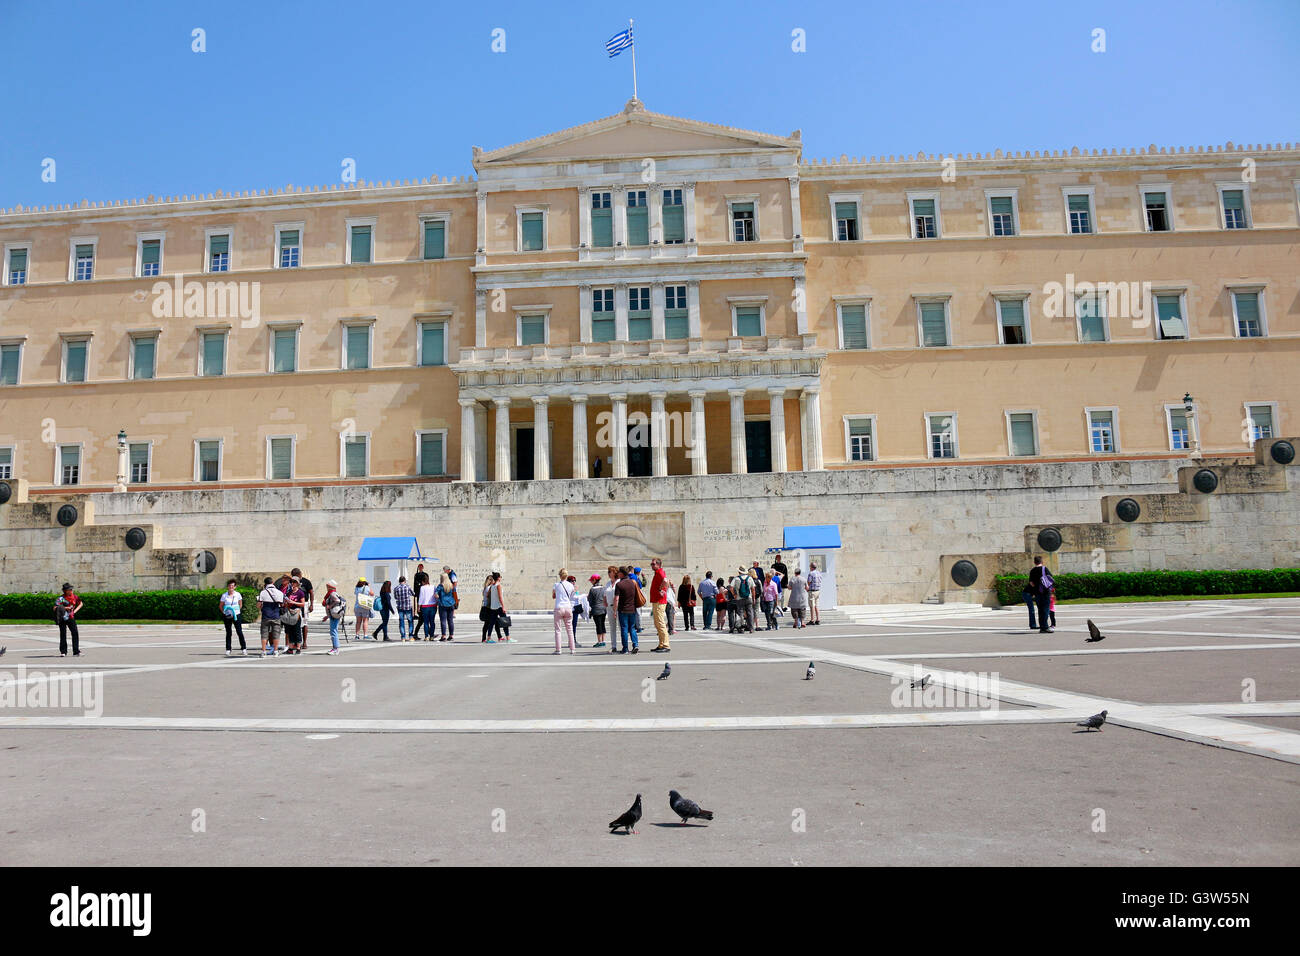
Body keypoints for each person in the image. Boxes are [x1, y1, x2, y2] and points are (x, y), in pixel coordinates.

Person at [613, 566, 640, 654]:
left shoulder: (619, 584)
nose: (617, 574)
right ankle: (635, 645)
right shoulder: (633, 583)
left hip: (623, 610)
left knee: (624, 628)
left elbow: (616, 599)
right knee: (632, 628)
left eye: (618, 573)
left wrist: (614, 611)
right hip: (632, 609)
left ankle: (625, 649)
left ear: (621, 573)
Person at [257, 576, 284, 657]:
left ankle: (263, 651)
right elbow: (282, 604)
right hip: (276, 615)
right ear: (272, 583)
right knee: (276, 634)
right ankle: (275, 651)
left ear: (265, 584)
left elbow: (258, 605)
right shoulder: (279, 592)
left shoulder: (262, 592)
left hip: (266, 616)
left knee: (264, 634)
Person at [219, 579, 247, 656]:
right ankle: (228, 649)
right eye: (229, 586)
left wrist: (236, 611)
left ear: (235, 587)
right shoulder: (224, 595)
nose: (231, 587)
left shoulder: (238, 594)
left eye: (232, 586)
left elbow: (240, 604)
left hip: (236, 615)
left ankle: (244, 648)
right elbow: (221, 605)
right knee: (228, 632)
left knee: (239, 631)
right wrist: (224, 612)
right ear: (227, 587)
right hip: (227, 615)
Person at [54, 582, 83, 658]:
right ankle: (63, 652)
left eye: (71, 589)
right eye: (69, 589)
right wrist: (65, 608)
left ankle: (76, 651)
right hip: (62, 618)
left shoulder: (75, 597)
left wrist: (74, 611)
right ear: (65, 591)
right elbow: (54, 608)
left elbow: (81, 603)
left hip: (71, 617)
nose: (71, 590)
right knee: (63, 634)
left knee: (75, 633)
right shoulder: (61, 598)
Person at [552, 570, 577, 655]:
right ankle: (572, 649)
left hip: (559, 607)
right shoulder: (571, 585)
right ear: (567, 576)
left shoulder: (556, 585)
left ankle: (558, 650)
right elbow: (572, 596)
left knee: (558, 630)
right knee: (570, 629)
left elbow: (553, 596)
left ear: (560, 576)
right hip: (568, 607)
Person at [1028, 556, 1054, 634]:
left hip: (1037, 593)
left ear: (1034, 562)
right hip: (1045, 592)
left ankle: (1042, 627)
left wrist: (1036, 587)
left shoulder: (1032, 571)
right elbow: (1051, 579)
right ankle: (1045, 627)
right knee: (1045, 609)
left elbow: (1031, 583)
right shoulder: (1044, 569)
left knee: (1040, 610)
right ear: (1042, 562)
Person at [282, 577, 307, 653]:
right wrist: (286, 603)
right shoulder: (289, 592)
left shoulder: (300, 592)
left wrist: (293, 602)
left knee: (297, 630)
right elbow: (286, 602)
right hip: (289, 612)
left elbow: (303, 604)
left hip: (296, 613)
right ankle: (290, 648)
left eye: (294, 582)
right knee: (290, 630)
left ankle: (298, 647)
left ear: (298, 583)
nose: (292, 583)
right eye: (292, 582)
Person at [292, 568, 314, 649]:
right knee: (294, 623)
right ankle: (296, 642)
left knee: (304, 623)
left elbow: (311, 593)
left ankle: (304, 642)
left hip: (304, 604)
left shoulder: (306, 582)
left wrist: (311, 604)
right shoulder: (292, 582)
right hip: (294, 604)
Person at [322, 580, 345, 654]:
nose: (326, 587)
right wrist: (327, 616)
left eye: (327, 586)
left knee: (333, 631)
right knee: (333, 631)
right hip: (333, 614)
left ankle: (335, 649)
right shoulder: (332, 593)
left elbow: (337, 601)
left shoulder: (332, 594)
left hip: (334, 615)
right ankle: (335, 648)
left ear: (330, 587)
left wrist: (330, 606)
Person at [588, 573, 608, 648]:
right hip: (603, 609)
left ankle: (599, 641)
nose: (591, 582)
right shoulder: (603, 588)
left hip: (596, 609)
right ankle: (603, 640)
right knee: (602, 624)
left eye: (591, 580)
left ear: (594, 580)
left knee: (598, 625)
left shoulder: (592, 589)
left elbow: (590, 601)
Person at [435, 573, 456, 641]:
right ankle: (451, 635)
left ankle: (443, 636)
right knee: (450, 621)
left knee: (443, 621)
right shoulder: (452, 586)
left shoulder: (440, 586)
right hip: (451, 604)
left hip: (443, 604)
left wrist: (438, 599)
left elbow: (436, 594)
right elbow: (454, 594)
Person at [393, 575, 415, 640]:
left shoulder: (396, 588)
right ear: (405, 581)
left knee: (401, 622)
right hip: (408, 606)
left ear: (399, 581)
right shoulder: (408, 587)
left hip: (400, 607)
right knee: (410, 621)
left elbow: (395, 597)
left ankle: (403, 637)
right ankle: (411, 636)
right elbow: (413, 593)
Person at [411, 566, 430, 639]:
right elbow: (415, 586)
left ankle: (416, 634)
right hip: (422, 604)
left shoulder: (425, 575)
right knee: (423, 620)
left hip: (423, 604)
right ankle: (429, 634)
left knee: (422, 620)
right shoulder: (417, 576)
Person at [417, 575, 437, 642]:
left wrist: (419, 606)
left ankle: (426, 636)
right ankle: (432, 636)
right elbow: (435, 596)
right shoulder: (433, 587)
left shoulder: (422, 588)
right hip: (433, 606)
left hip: (425, 606)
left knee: (426, 622)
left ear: (423, 582)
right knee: (432, 622)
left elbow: (421, 597)